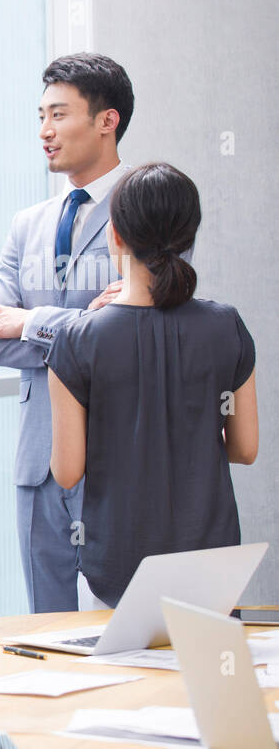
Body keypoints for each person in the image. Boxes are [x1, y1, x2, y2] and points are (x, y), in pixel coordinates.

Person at [46, 162, 258, 606]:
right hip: (211, 569)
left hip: (116, 573)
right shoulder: (227, 327)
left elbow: (67, 471)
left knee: (125, 679)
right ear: (188, 236)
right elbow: (244, 449)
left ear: (116, 235)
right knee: (208, 676)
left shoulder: (78, 340)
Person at [0, 53, 134, 613]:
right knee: (49, 629)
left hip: (114, 455)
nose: (45, 131)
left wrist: (32, 322)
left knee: (119, 629)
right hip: (37, 460)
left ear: (106, 120)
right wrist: (86, 323)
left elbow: (135, 334)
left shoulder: (149, 206)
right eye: (40, 116)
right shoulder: (28, 223)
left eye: (59, 115)